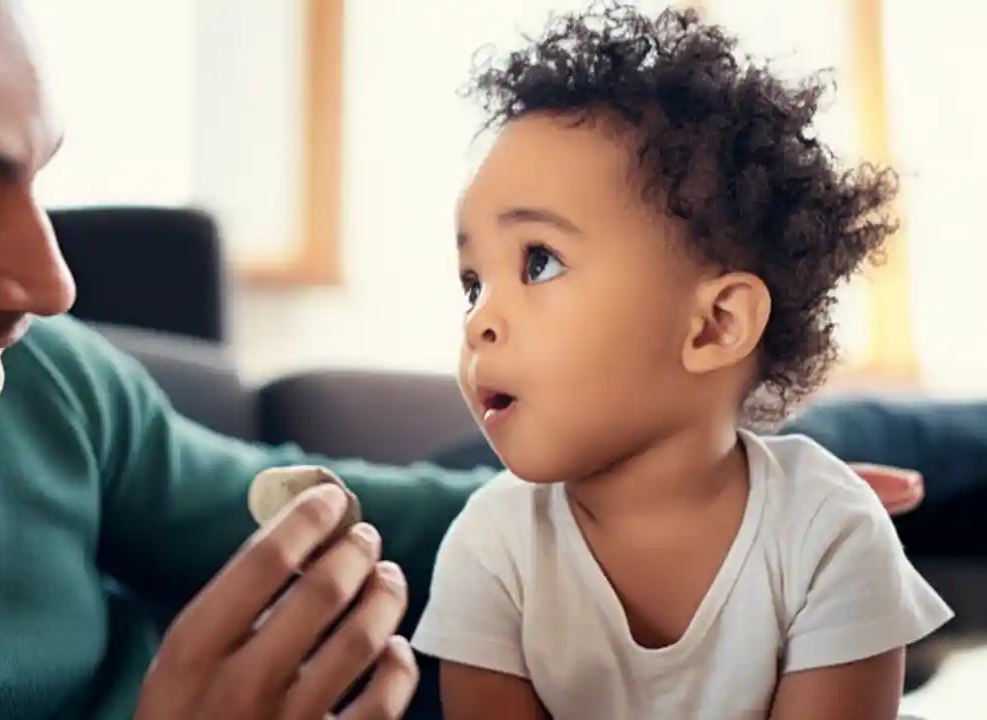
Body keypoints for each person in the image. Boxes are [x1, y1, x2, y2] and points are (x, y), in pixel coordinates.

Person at [0, 1, 938, 718]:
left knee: (838, 443)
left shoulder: (53, 389)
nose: (54, 286)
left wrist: (665, 483)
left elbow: (312, 509)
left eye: (35, 177)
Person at [408, 4, 952, 719]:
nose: (479, 320)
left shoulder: (831, 531)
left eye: (538, 262)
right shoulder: (492, 549)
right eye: (472, 284)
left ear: (715, 324)